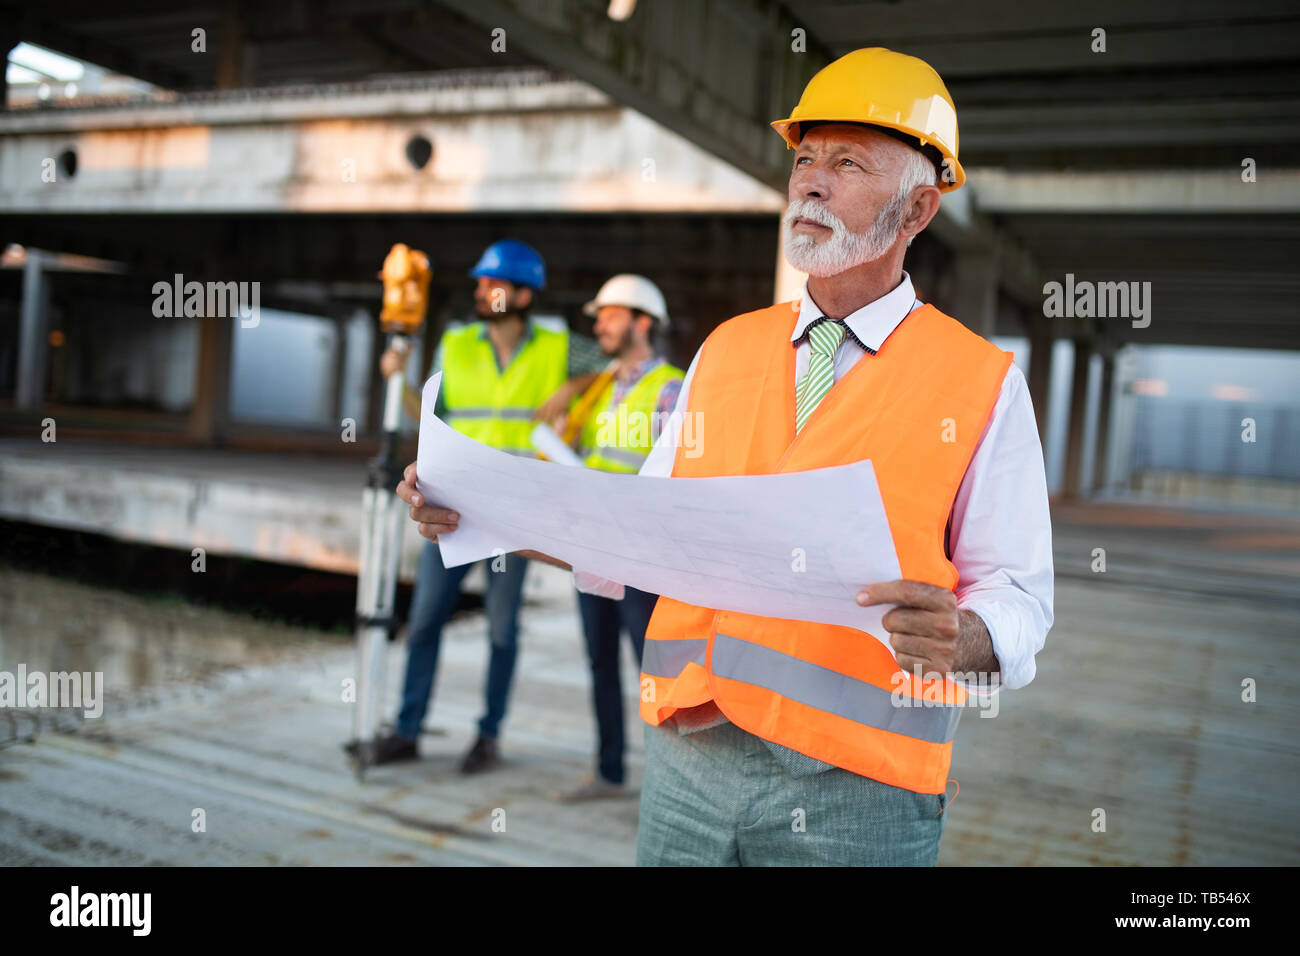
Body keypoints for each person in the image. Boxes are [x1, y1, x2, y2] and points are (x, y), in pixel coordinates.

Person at [397, 47, 1053, 865]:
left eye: (846, 163)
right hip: (686, 769)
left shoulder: (981, 383)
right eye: (805, 158)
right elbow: (634, 540)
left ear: (918, 209)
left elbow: (1021, 596)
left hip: (863, 793)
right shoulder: (727, 350)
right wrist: (481, 511)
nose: (810, 182)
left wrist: (965, 638)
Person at [363, 238, 605, 773]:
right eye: (480, 282)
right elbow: (428, 417)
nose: (481, 290)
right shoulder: (456, 343)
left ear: (522, 294)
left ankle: (487, 737)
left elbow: (611, 367)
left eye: (492, 283)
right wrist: (396, 378)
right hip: (453, 509)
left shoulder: (558, 344)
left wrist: (570, 391)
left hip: (517, 516)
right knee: (425, 620)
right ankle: (407, 730)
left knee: (501, 630)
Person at [552, 276, 684, 801]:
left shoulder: (670, 388)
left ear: (642, 321)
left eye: (610, 314)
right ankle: (608, 773)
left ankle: (671, 787)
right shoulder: (600, 386)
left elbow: (678, 477)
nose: (599, 324)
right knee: (600, 662)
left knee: (654, 672)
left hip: (641, 560)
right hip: (592, 552)